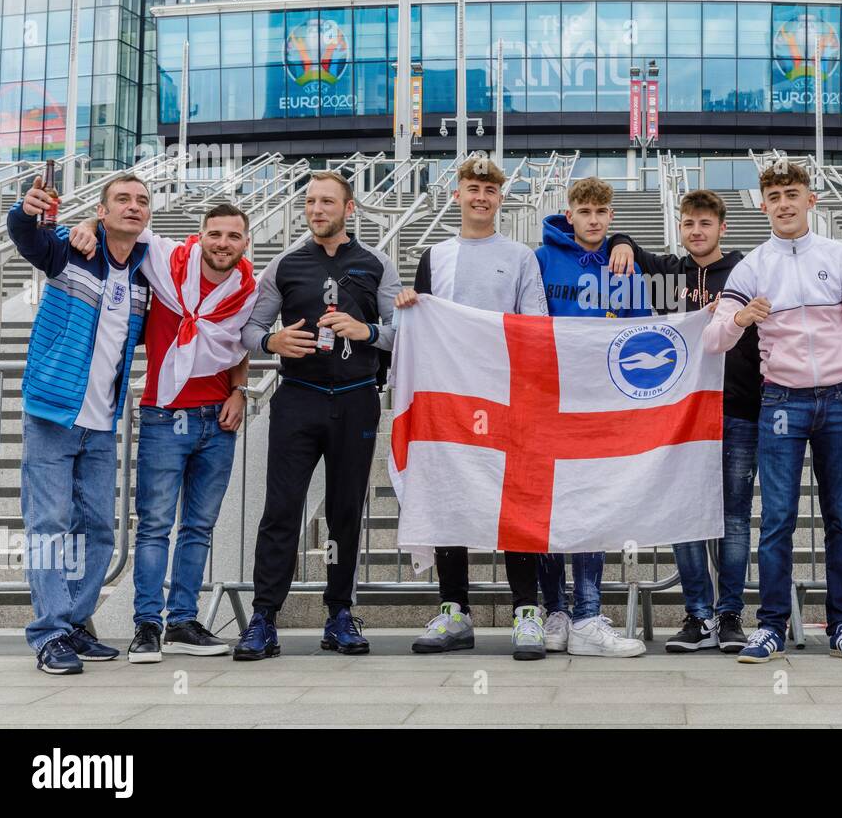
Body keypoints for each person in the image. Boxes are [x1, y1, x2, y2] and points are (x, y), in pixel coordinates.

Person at [704, 160, 842, 664]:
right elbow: (715, 339)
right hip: (780, 400)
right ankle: (771, 626)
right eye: (775, 195)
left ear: (811, 199)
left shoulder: (841, 257)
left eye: (792, 193)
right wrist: (740, 317)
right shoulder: (752, 266)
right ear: (763, 205)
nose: (784, 203)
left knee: (841, 519)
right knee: (777, 518)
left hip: (841, 399)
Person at [70, 203, 257, 663]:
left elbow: (237, 343)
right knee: (154, 527)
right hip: (162, 415)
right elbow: (120, 222)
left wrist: (240, 391)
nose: (223, 243)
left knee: (199, 527)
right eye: (215, 234)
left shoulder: (248, 287)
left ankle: (183, 621)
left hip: (218, 418)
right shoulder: (168, 261)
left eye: (233, 236)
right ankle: (147, 625)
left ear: (246, 242)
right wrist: (86, 223)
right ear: (199, 235)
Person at [235, 170, 401, 661]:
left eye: (328, 202)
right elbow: (249, 330)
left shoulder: (376, 264)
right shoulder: (284, 264)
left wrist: (365, 330)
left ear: (350, 209)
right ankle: (264, 618)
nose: (317, 210)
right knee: (281, 509)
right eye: (310, 202)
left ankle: (340, 614)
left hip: (355, 398)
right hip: (299, 397)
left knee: (345, 512)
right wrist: (271, 342)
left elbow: (402, 330)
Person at [394, 156, 549, 661]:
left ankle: (527, 610)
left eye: (490, 189)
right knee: (449, 494)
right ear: (456, 194)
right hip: (449, 396)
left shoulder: (522, 256)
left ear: (500, 198)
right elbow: (422, 324)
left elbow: (536, 326)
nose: (481, 196)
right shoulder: (435, 256)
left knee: (516, 497)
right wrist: (409, 310)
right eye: (472, 187)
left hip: (507, 396)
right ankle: (454, 610)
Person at [8, 174, 152, 674]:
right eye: (122, 200)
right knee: (49, 525)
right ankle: (48, 633)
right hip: (52, 412)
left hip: (101, 422)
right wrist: (29, 212)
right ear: (103, 209)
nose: (132, 208)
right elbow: (27, 236)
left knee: (100, 530)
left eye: (141, 201)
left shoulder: (143, 274)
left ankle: (72, 622)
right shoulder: (70, 250)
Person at [605, 189, 759, 654]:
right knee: (685, 514)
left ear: (721, 228)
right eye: (689, 224)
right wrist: (624, 240)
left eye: (705, 224)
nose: (697, 232)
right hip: (684, 416)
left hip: (739, 410)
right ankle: (697, 615)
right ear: (680, 226)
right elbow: (623, 239)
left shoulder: (745, 271)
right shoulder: (670, 273)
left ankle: (729, 615)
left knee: (733, 517)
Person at [534, 176, 650, 657]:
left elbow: (643, 329)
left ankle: (586, 612)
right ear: (570, 213)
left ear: (612, 217)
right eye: (585, 212)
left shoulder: (626, 265)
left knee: (590, 505)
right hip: (545, 398)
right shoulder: (539, 260)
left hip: (600, 405)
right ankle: (554, 612)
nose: (594, 220)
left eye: (602, 213)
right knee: (545, 507)